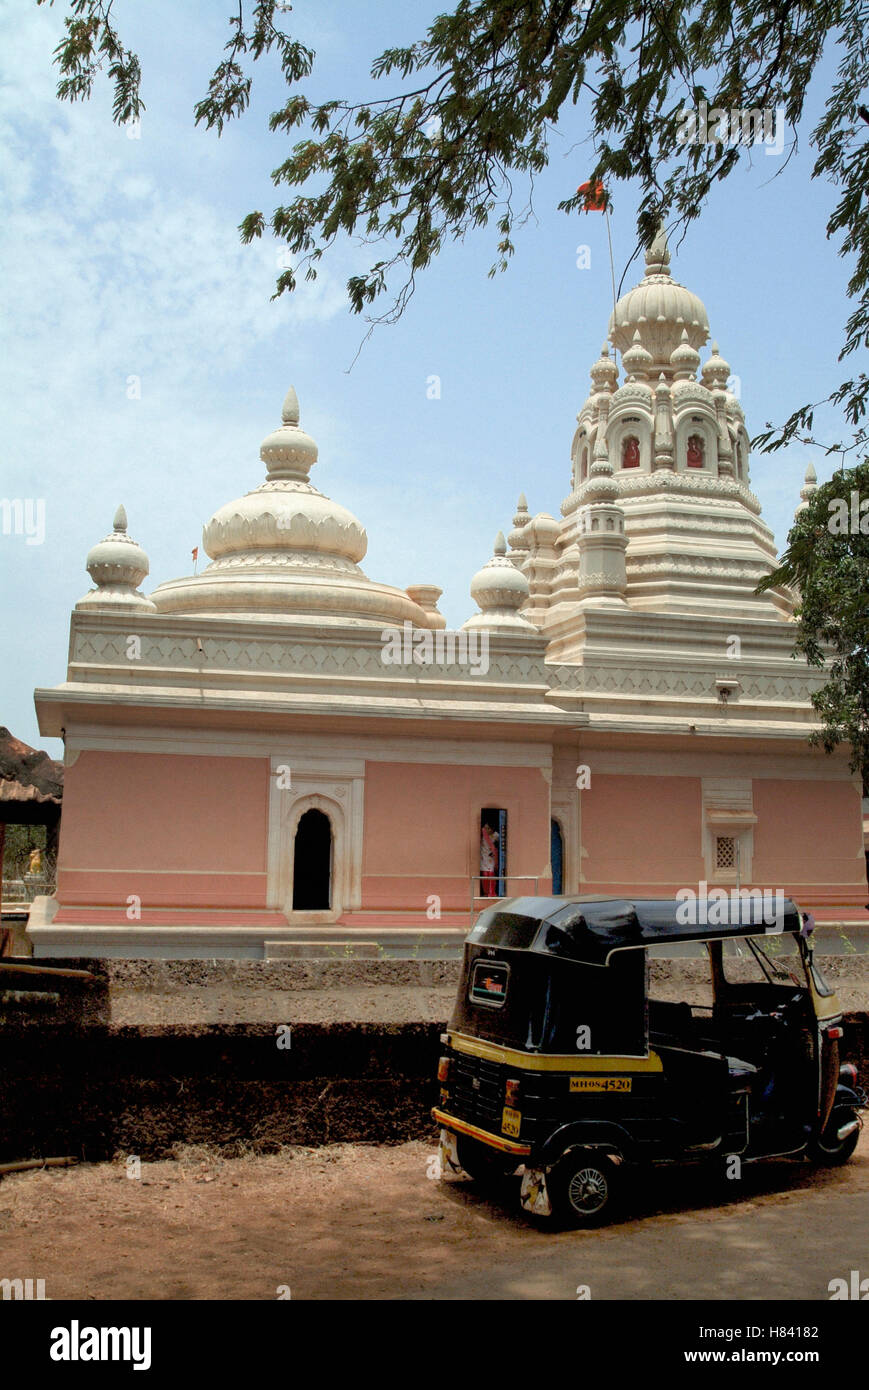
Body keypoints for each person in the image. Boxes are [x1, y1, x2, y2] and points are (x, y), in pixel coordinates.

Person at [480, 823, 499, 897]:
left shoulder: (496, 835)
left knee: (491, 875)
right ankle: (485, 892)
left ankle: (491, 893)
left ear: (492, 829)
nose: (486, 830)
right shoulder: (482, 835)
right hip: (483, 858)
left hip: (491, 859)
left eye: (488, 828)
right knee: (485, 875)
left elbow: (499, 845)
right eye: (485, 828)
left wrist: (494, 850)